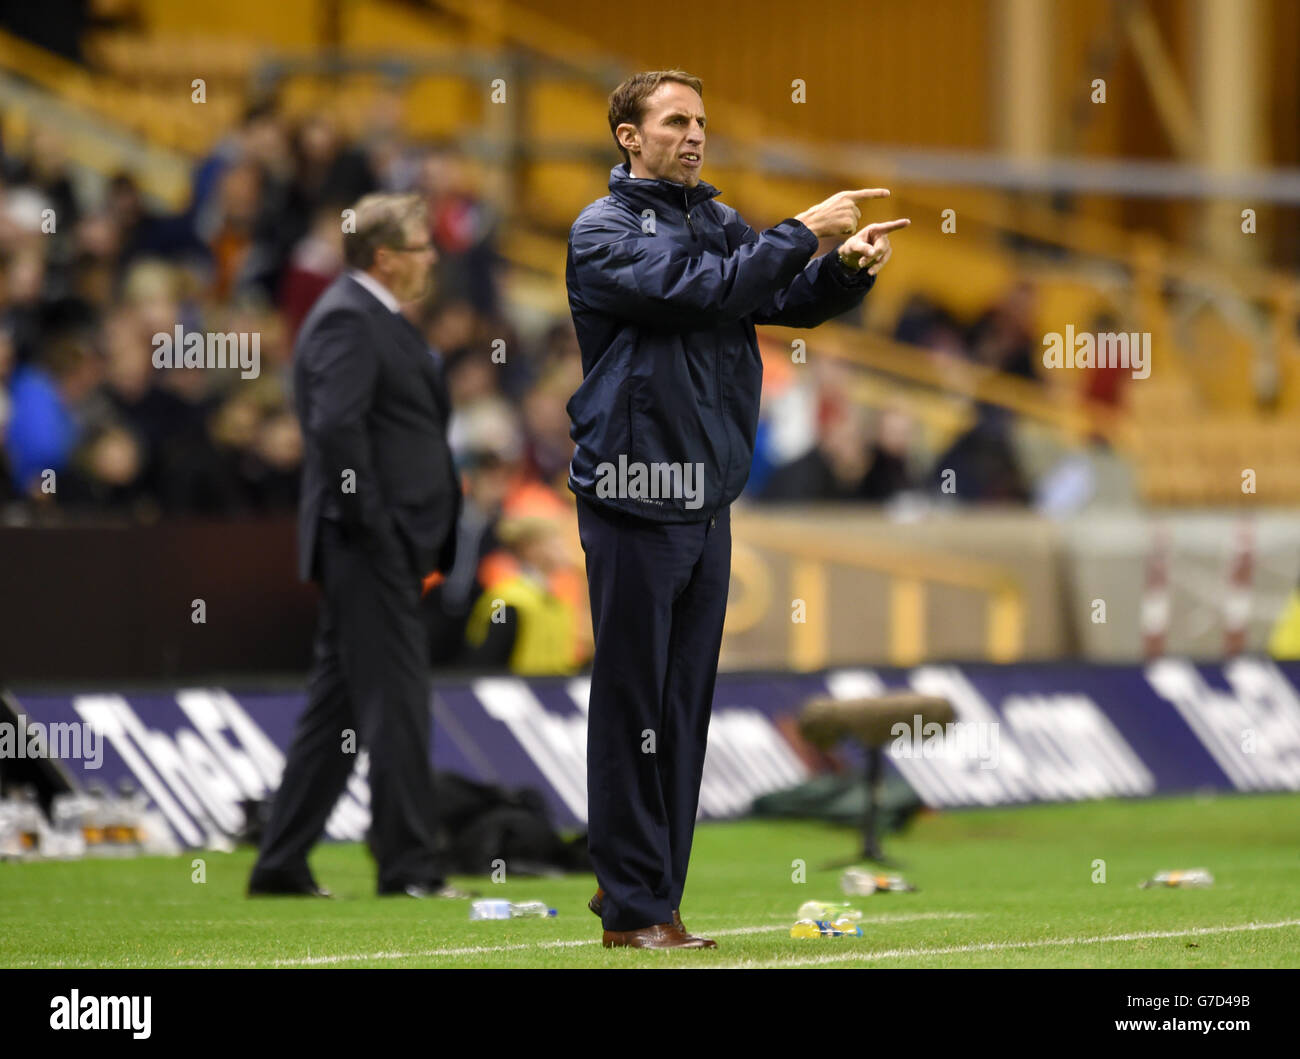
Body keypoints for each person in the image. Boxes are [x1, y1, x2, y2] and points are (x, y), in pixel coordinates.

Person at [565, 70, 907, 949]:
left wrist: (842, 269)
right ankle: (637, 904)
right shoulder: (603, 230)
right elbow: (702, 292)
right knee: (636, 705)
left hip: (706, 497)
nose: (694, 135)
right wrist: (800, 229)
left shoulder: (713, 221)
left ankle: (644, 894)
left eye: (702, 121)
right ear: (627, 138)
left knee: (681, 708)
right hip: (637, 492)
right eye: (675, 121)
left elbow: (777, 296)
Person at [248, 192, 465, 899]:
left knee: (336, 708)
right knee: (398, 705)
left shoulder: (374, 318)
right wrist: (382, 532)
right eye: (422, 244)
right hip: (365, 546)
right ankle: (409, 866)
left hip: (377, 545)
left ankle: (280, 862)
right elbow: (338, 434)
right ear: (384, 256)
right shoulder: (347, 319)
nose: (433, 256)